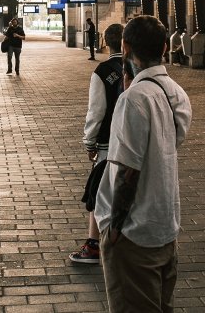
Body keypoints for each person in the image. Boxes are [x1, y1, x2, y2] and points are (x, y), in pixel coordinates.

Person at [93, 15, 192, 313]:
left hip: (134, 234)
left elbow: (128, 169)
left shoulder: (134, 98)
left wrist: (114, 228)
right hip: (164, 227)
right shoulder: (177, 93)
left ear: (125, 47)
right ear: (164, 47)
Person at [68, 22, 125, 265]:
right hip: (135, 142)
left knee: (98, 191)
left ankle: (93, 245)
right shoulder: (138, 68)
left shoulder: (103, 71)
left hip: (107, 144)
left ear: (106, 42)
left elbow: (96, 111)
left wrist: (88, 141)